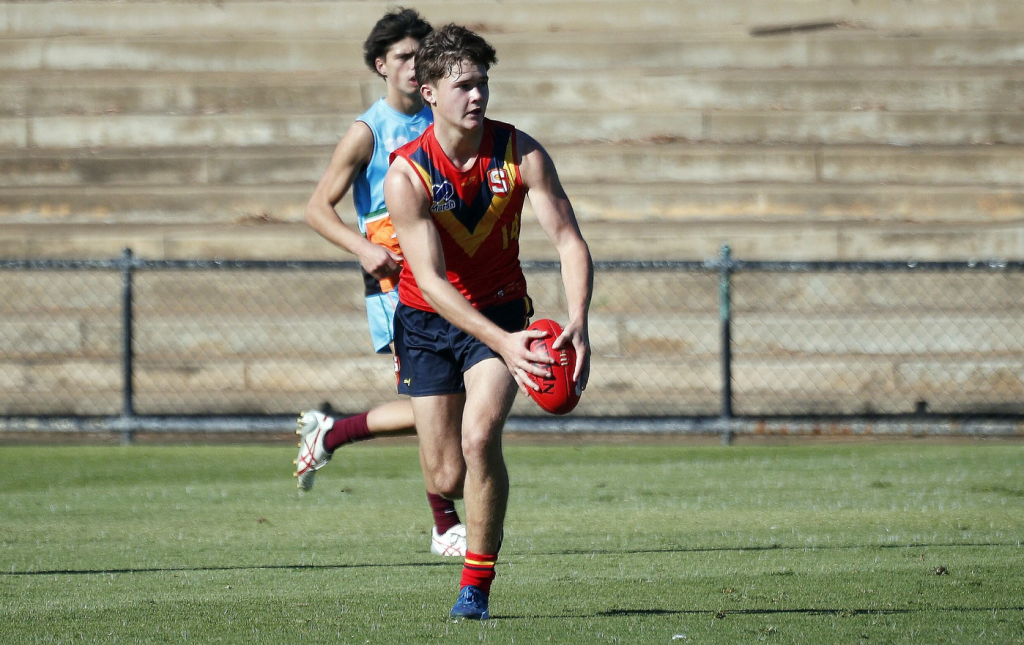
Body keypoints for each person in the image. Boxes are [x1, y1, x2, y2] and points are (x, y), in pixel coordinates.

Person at [384, 24, 593, 620]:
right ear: (428, 91)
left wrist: (578, 322)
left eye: (483, 84)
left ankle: (474, 588)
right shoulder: (407, 176)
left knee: (480, 439)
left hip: (504, 312)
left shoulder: (521, 153)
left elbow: (570, 242)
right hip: (428, 322)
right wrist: (498, 339)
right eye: (463, 86)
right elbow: (429, 282)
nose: (477, 96)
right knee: (447, 474)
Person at [294, 8, 467, 559]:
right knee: (434, 406)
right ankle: (444, 526)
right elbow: (318, 209)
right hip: (397, 285)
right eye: (404, 58)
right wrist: (366, 249)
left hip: (444, 276)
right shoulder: (367, 132)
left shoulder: (443, 119)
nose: (416, 67)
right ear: (381, 66)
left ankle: (329, 434)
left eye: (422, 56)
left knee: (441, 407)